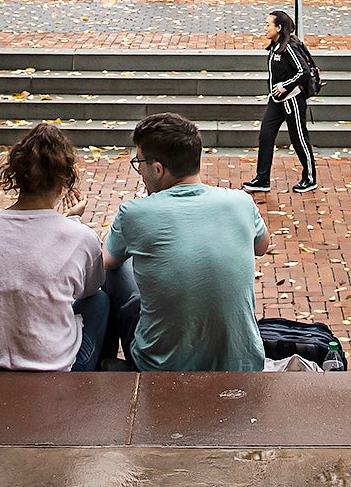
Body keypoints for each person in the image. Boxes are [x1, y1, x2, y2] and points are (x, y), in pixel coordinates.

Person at [104, 112, 270, 371]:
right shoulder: (241, 202)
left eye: (140, 163)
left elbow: (106, 260)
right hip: (242, 365)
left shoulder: (134, 213)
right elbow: (262, 246)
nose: (140, 171)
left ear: (158, 169)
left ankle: (103, 367)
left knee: (116, 270)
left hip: (163, 368)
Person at [0, 123, 108, 371]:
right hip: (53, 371)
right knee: (100, 301)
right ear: (64, 182)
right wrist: (72, 221)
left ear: (16, 177)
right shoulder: (81, 238)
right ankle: (94, 381)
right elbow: (90, 288)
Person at [244, 9, 317, 194]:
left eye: (268, 24)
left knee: (299, 138)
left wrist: (285, 85)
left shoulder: (289, 46)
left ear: (279, 27)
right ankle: (262, 179)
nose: (265, 28)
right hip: (275, 100)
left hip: (292, 99)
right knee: (266, 135)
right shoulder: (275, 46)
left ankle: (310, 178)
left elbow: (303, 71)